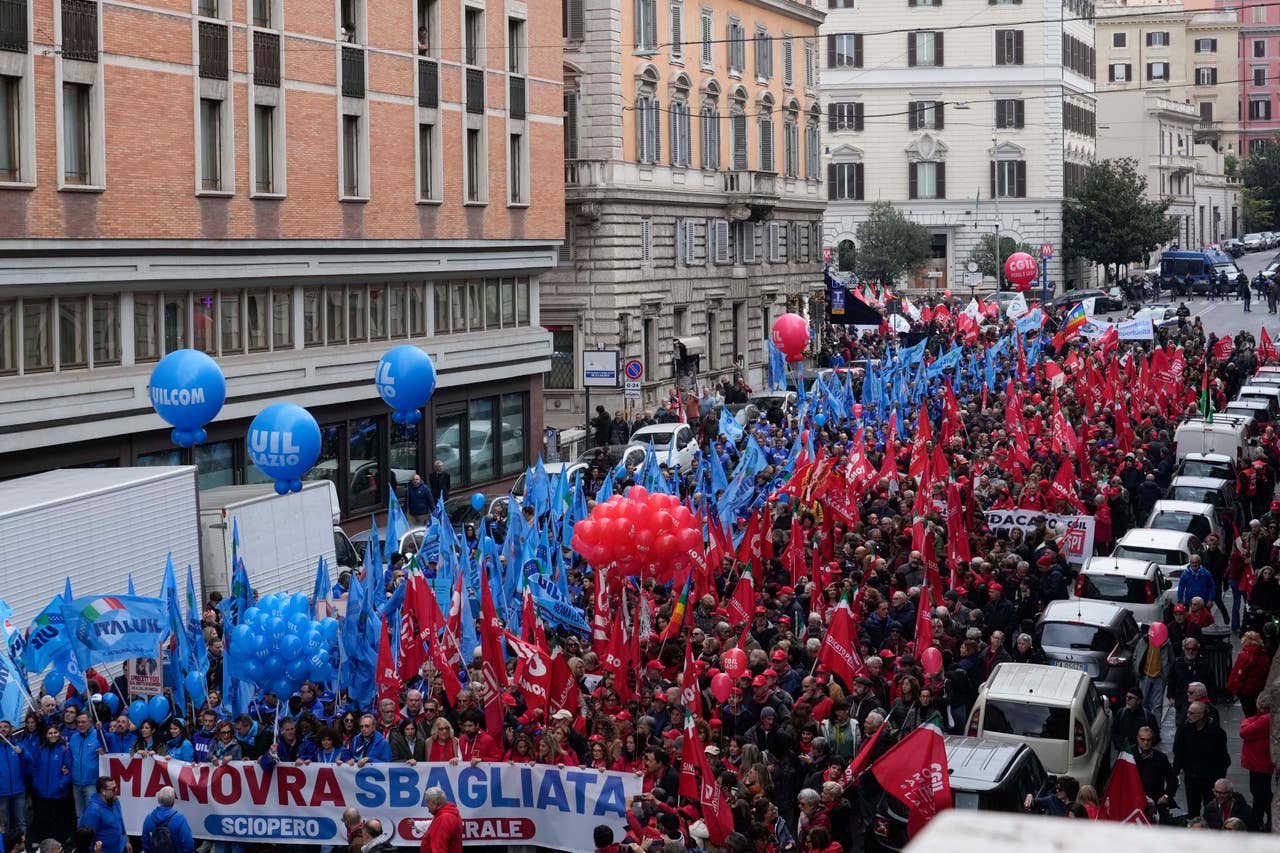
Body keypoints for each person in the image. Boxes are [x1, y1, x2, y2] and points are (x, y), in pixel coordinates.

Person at [1172, 701, 1230, 819]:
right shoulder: (1184, 729)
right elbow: (1178, 751)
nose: (1188, 715)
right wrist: (1176, 771)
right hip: (1191, 776)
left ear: (1202, 715)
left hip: (1210, 778)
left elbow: (1223, 758)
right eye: (1188, 712)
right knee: (1193, 809)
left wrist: (1219, 779)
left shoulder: (1216, 733)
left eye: (1192, 713)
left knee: (1211, 809)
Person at [77, 777, 127, 853]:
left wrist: (126, 840)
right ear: (103, 791)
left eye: (116, 787)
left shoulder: (115, 801)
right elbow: (87, 840)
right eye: (113, 789)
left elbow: (120, 821)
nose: (116, 790)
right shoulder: (93, 811)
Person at [141, 787, 194, 853]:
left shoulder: (148, 818)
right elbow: (188, 844)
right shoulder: (180, 819)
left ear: (158, 800)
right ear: (173, 801)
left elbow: (145, 842)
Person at [420, 787, 462, 853]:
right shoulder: (449, 814)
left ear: (434, 803)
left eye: (427, 802)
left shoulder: (444, 819)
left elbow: (439, 848)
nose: (426, 805)